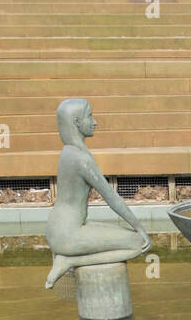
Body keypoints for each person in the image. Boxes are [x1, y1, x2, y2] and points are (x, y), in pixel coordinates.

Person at [44, 98, 151, 289]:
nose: (95, 122)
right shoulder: (81, 159)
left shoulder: (68, 152)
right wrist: (139, 227)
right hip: (67, 235)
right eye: (90, 116)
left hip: (59, 229)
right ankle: (69, 261)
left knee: (124, 235)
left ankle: (68, 259)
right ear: (76, 122)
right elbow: (111, 197)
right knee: (138, 243)